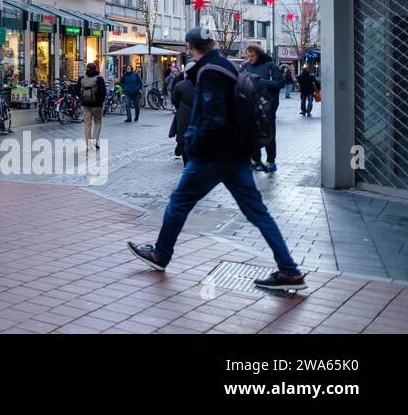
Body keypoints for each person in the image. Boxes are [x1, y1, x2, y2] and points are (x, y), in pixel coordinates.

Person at [128, 27, 306, 291]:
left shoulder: (210, 72)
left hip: (213, 155)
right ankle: (289, 270)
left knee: (178, 202)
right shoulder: (227, 66)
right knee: (258, 212)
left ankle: (160, 255)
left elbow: (213, 116)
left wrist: (193, 142)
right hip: (237, 154)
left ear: (190, 47)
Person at [242, 44, 285, 173]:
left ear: (259, 55)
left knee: (269, 133)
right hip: (251, 104)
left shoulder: (271, 66)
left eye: (251, 56)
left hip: (268, 105)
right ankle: (255, 159)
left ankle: (271, 161)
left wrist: (261, 82)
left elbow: (280, 83)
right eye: (247, 56)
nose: (249, 59)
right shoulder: (246, 67)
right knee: (253, 133)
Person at [75, 61, 106, 151]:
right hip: (97, 105)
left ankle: (88, 144)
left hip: (85, 104)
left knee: (87, 124)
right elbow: (103, 92)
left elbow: (76, 90)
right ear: (95, 69)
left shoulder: (82, 78)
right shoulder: (99, 79)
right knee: (98, 122)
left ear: (87, 69)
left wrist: (81, 99)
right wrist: (101, 102)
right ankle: (95, 141)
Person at [169, 71, 194, 164]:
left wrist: (180, 107)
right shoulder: (202, 85)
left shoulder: (180, 85)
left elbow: (174, 99)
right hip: (197, 116)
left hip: (183, 114)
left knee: (183, 136)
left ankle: (183, 153)